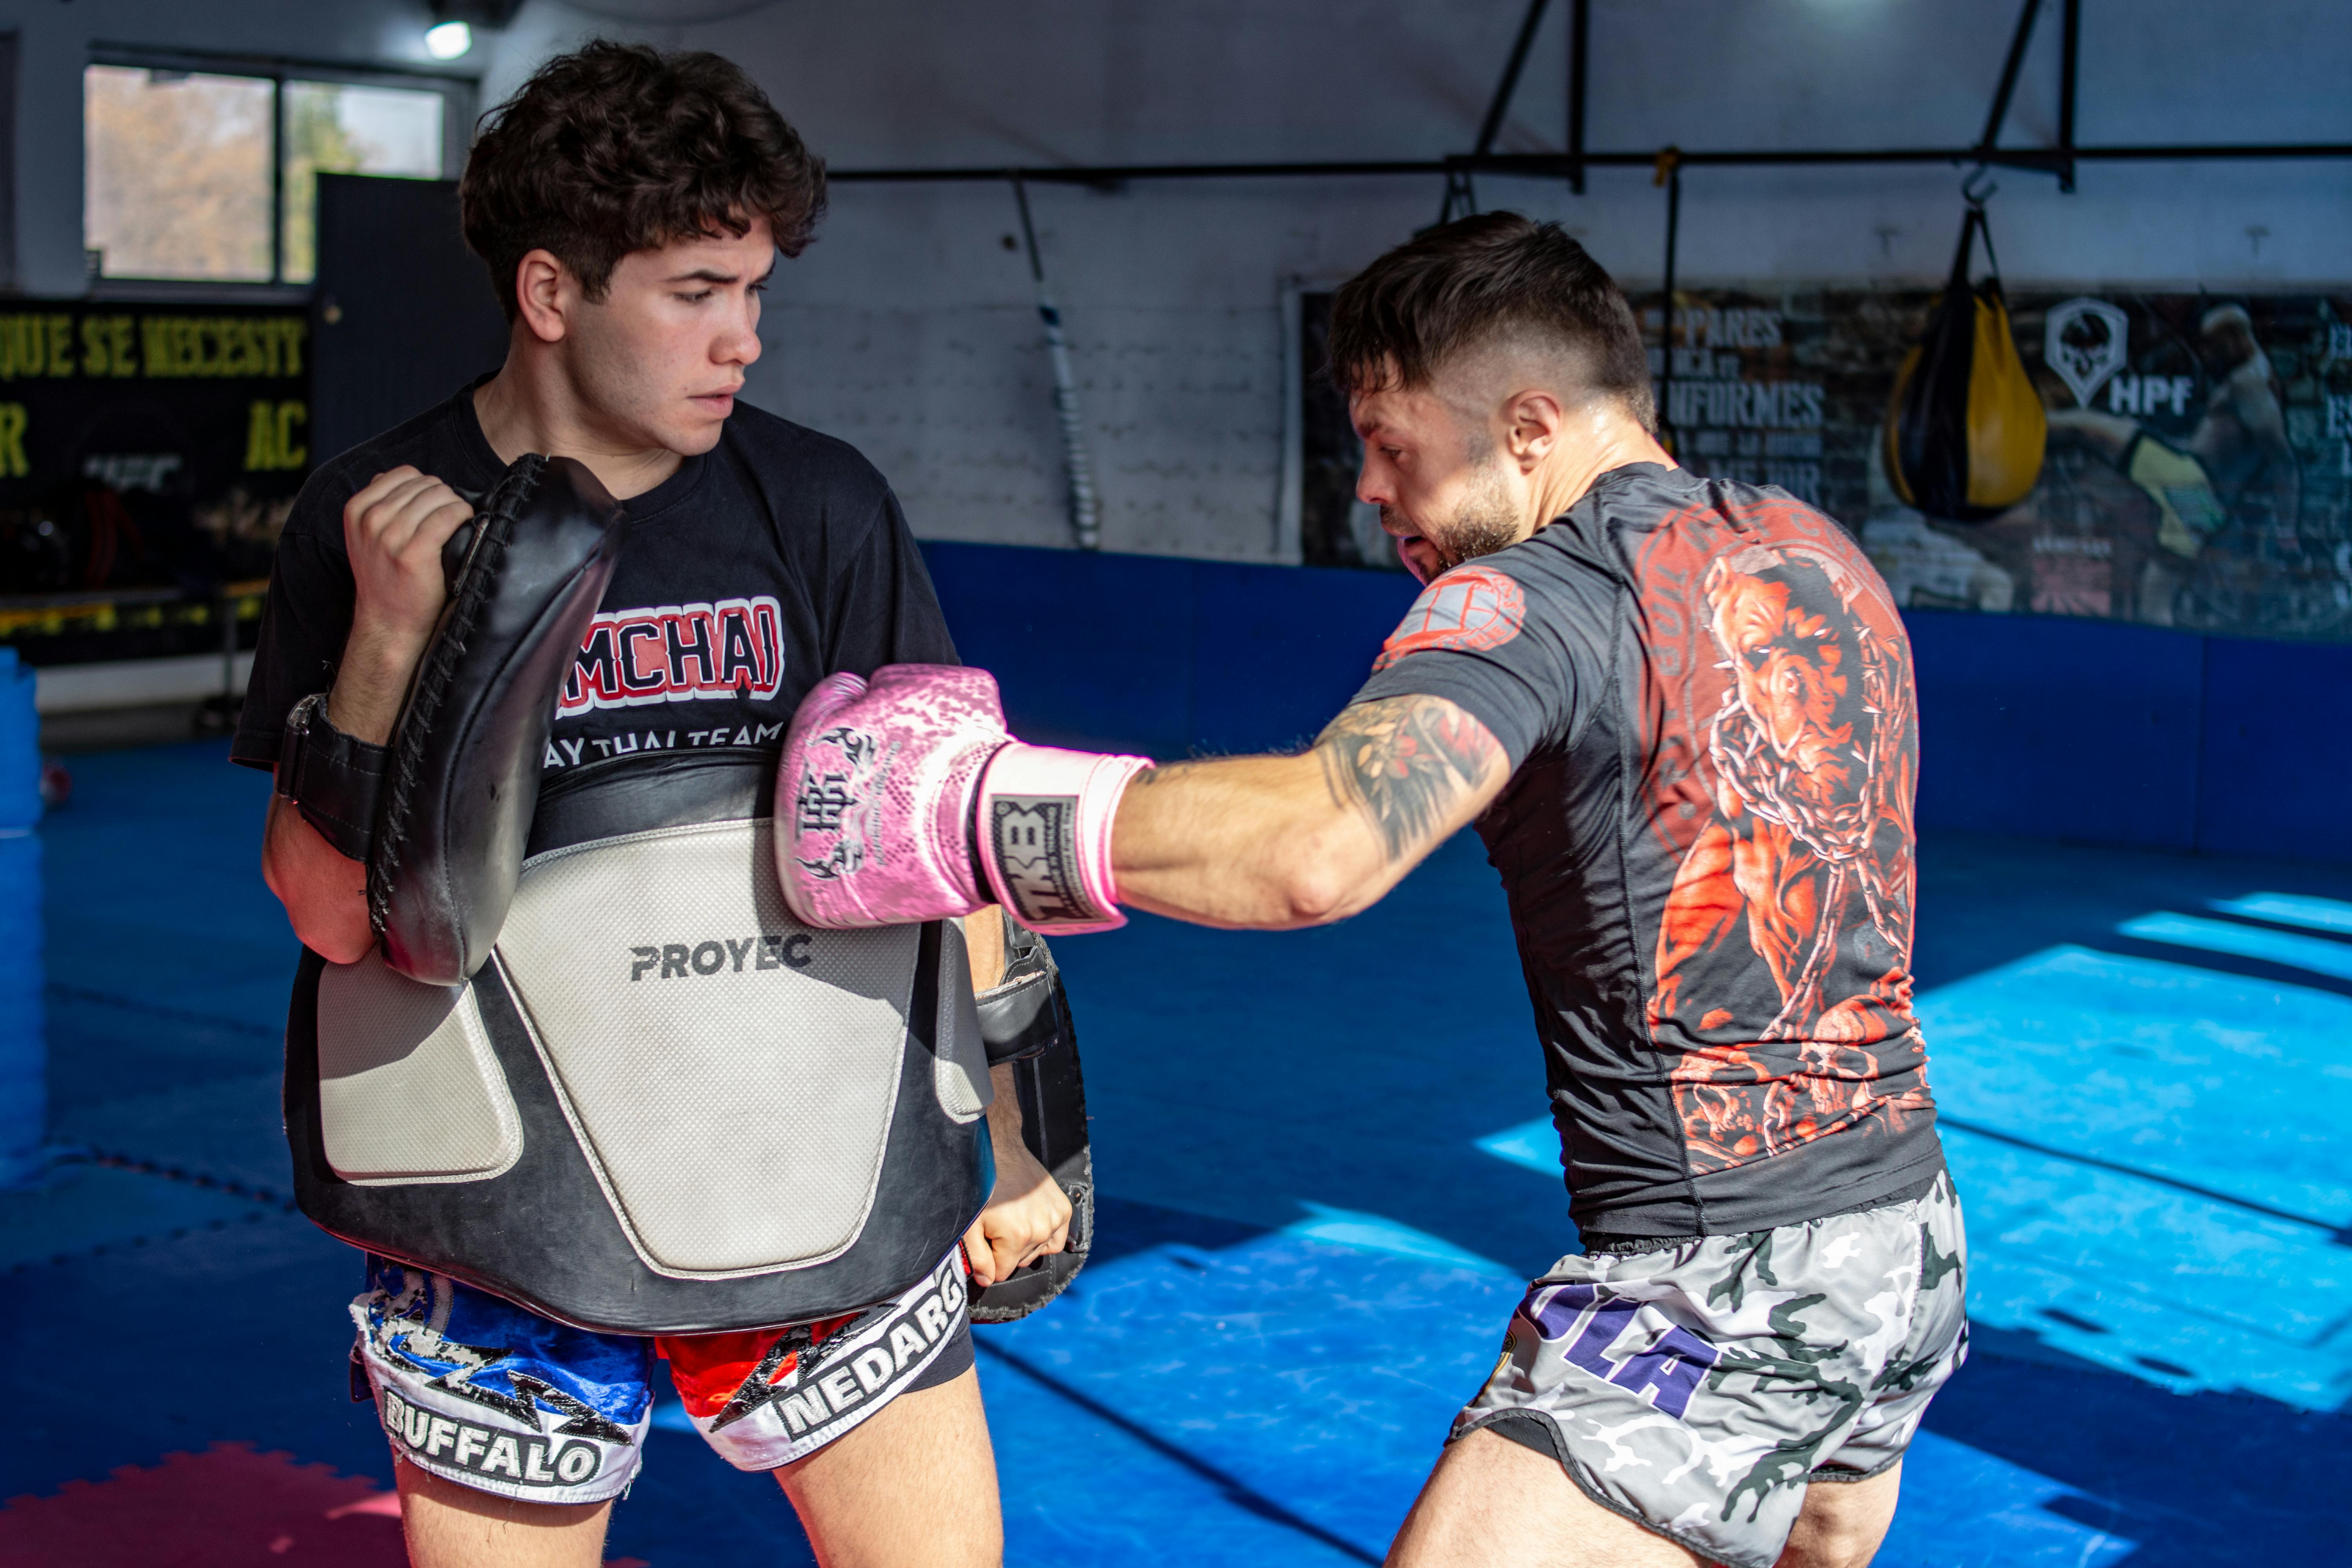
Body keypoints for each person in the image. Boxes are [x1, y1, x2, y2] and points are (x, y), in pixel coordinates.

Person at [777, 213, 1967, 1568]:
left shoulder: (1535, 598)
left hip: (1721, 1278)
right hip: (1905, 1239)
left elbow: (1318, 848)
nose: (1368, 487)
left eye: (1394, 444)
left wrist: (965, 805)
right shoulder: (1815, 554)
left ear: (1529, 427)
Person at [234, 42, 1067, 1568]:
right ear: (552, 294)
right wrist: (385, 642)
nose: (742, 337)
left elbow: (948, 841)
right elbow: (320, 905)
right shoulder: (373, 512)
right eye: (696, 291)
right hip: (501, 1216)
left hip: (810, 1145)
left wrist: (1016, 1138)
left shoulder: (815, 504)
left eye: (755, 292)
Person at [2047, 302, 2301, 623]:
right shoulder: (2254, 376)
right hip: (2206, 505)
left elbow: (2284, 461)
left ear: (2237, 337)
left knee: (2084, 426)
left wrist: (2287, 533)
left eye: (2214, 345)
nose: (2208, 354)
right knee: (2154, 602)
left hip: (2191, 483)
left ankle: (2011, 430)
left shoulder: (2250, 384)